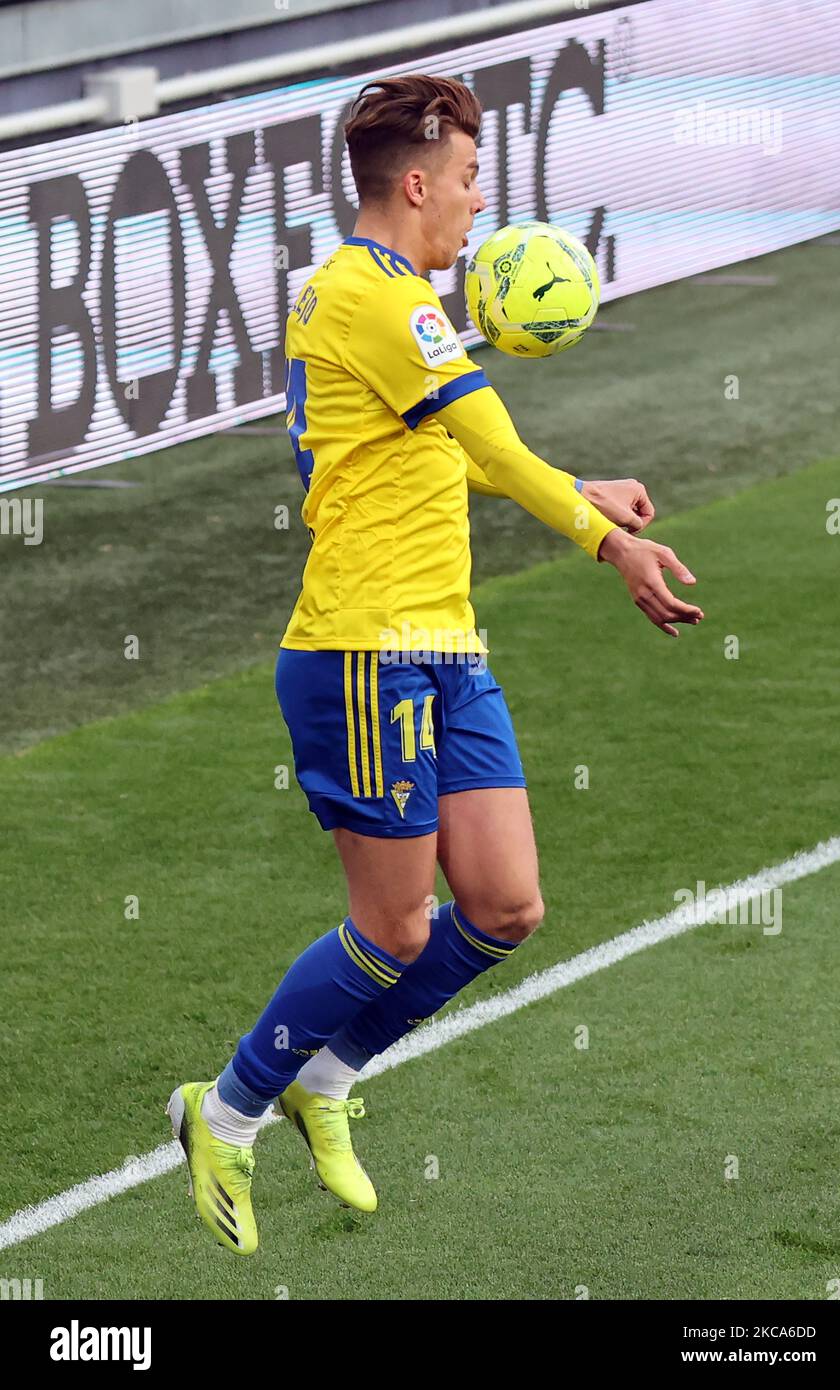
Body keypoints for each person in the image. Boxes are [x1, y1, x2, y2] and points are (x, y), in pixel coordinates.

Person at [167, 73, 703, 1255]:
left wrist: (577, 486)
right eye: (466, 178)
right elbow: (489, 441)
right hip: (364, 651)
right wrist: (604, 535)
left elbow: (427, 455)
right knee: (395, 928)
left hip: (443, 646)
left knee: (506, 904)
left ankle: (329, 1074)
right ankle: (229, 1109)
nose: (476, 202)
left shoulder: (371, 296)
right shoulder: (375, 297)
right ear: (415, 183)